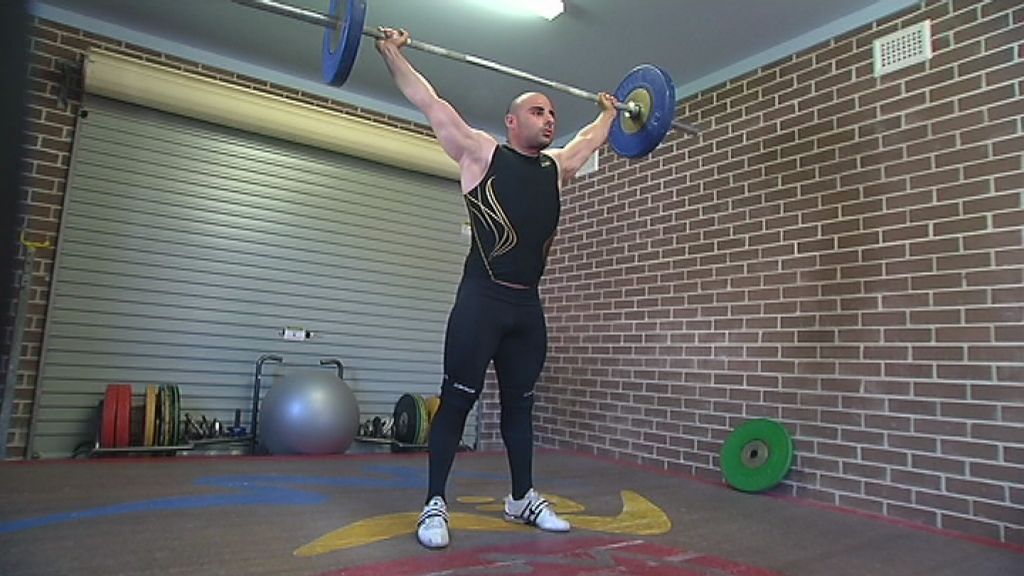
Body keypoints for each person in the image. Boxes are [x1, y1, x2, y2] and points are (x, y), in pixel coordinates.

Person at [375, 27, 619, 549]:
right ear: (512, 121)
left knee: (520, 407)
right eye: (538, 111)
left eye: (552, 113)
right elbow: (429, 101)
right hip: (481, 301)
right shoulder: (480, 153)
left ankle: (521, 498)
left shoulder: (556, 169)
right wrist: (390, 52)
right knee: (456, 402)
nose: (549, 119)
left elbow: (590, 140)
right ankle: (434, 504)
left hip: (526, 308)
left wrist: (610, 112)